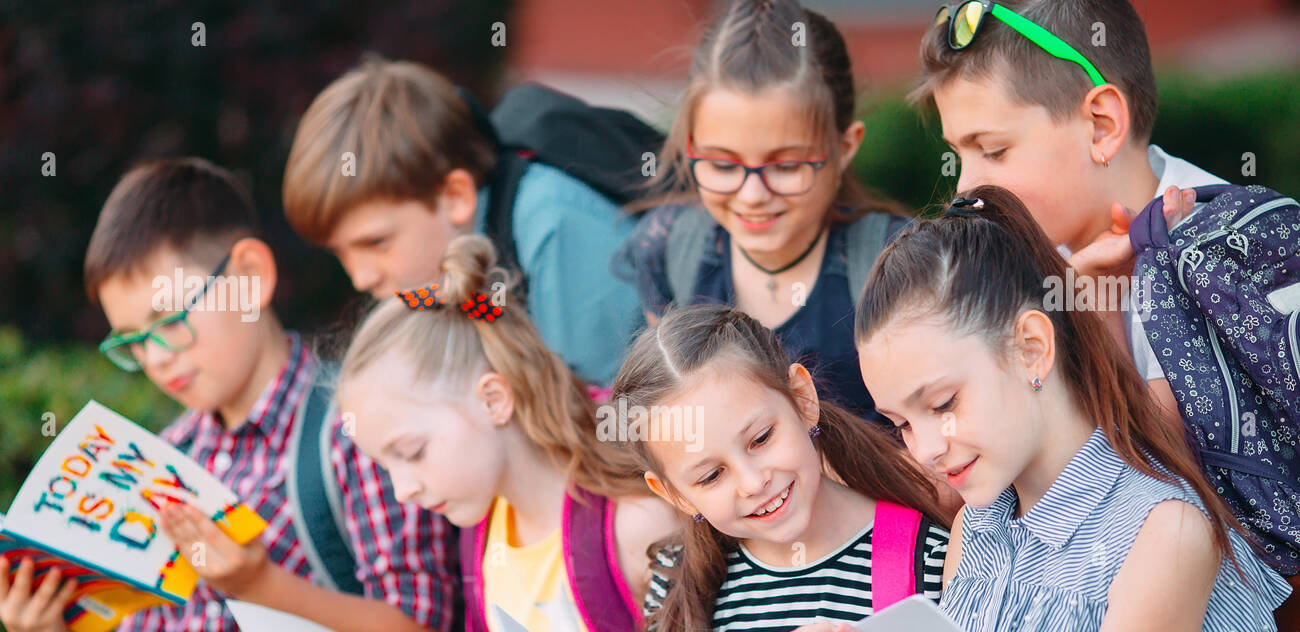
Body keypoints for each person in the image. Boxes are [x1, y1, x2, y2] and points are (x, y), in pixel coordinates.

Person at [602, 188, 1291, 632]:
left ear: (1030, 349)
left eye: (942, 404)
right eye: (902, 421)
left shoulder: (1162, 531)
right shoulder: (979, 527)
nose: (926, 448)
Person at [0, 157, 459, 632]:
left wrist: (260, 585)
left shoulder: (350, 426)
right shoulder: (172, 450)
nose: (156, 359)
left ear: (250, 276)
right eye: (131, 343)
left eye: (168, 322)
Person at [267, 234, 678, 632]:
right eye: (387, 468)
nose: (404, 490)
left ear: (494, 398)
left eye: (412, 454)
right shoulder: (487, 526)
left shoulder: (632, 523)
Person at [535, 302, 950, 632]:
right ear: (675, 495)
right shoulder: (680, 580)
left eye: (760, 439)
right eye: (711, 477)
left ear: (801, 400)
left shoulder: (927, 557)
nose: (753, 482)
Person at [913, 0, 1219, 425]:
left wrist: (1094, 320)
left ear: (1101, 126)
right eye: (958, 153)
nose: (964, 186)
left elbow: (1164, 472)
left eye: (993, 150)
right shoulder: (1021, 257)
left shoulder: (1220, 261)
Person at [614, 0, 911, 423]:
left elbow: (938, 464)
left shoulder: (896, 270)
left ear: (844, 147)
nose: (752, 194)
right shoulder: (669, 250)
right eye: (722, 165)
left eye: (787, 166)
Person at [282, 55, 642, 387]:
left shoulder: (553, 228)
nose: (361, 277)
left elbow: (622, 411)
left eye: (377, 243)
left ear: (455, 197)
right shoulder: (439, 273)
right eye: (339, 252)